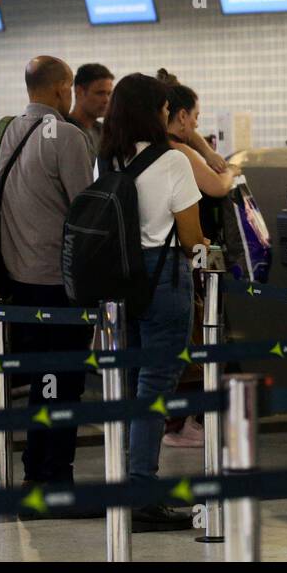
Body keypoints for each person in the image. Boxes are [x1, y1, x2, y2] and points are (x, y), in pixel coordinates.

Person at [0, 57, 97, 502]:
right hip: (62, 283)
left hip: (15, 280)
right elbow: (87, 213)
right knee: (65, 383)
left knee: (38, 378)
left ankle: (32, 470)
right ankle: (56, 475)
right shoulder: (68, 136)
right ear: (63, 89)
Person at [100, 73, 205, 531]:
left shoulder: (106, 158)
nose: (168, 113)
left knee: (129, 385)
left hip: (117, 283)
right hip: (163, 280)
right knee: (155, 388)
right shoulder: (174, 161)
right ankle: (141, 491)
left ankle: (124, 486)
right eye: (164, 107)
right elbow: (191, 237)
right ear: (153, 111)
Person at [158, 70, 237, 449]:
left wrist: (203, 147)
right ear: (183, 115)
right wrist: (234, 170)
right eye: (196, 117)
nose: (197, 123)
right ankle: (181, 422)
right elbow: (218, 184)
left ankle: (180, 420)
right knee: (197, 333)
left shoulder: (165, 146)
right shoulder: (178, 150)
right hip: (193, 251)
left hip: (183, 251)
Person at [67, 63, 114, 160]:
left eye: (109, 94)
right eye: (100, 93)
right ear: (79, 91)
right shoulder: (65, 131)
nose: (106, 100)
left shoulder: (103, 131)